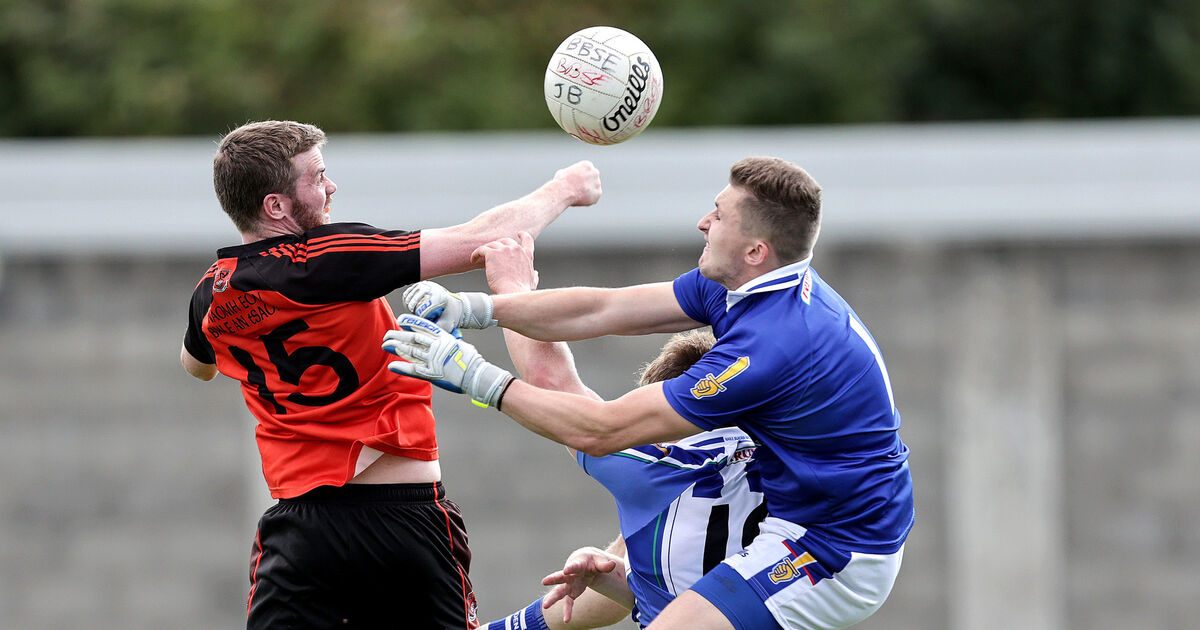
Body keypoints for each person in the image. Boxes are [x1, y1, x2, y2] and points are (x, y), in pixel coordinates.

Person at [384, 156, 914, 630]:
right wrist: (478, 309)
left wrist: (474, 377)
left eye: (719, 216)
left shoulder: (770, 349)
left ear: (756, 250)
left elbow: (603, 429)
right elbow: (604, 309)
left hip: (836, 547)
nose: (703, 222)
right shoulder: (752, 288)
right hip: (806, 523)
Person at [179, 119, 601, 630]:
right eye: (317, 177)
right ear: (276, 206)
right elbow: (481, 239)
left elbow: (196, 366)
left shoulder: (211, 294)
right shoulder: (327, 258)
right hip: (403, 519)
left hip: (299, 533)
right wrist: (566, 187)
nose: (331, 187)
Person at [464, 236, 765, 630]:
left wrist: (512, 288)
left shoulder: (655, 469)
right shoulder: (792, 459)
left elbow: (552, 382)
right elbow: (653, 572)